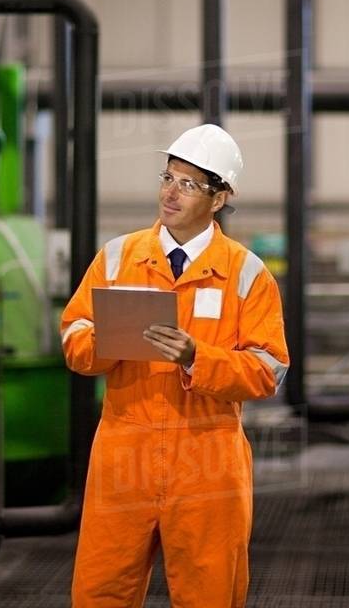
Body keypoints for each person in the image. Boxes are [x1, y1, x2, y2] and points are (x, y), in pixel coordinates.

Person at [61, 123, 290, 608]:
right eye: (168, 178)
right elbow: (74, 339)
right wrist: (112, 340)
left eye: (188, 184)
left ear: (221, 197)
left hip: (207, 462)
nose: (171, 192)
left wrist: (196, 358)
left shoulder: (246, 273)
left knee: (210, 593)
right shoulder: (119, 257)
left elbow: (267, 370)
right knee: (100, 591)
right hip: (124, 455)